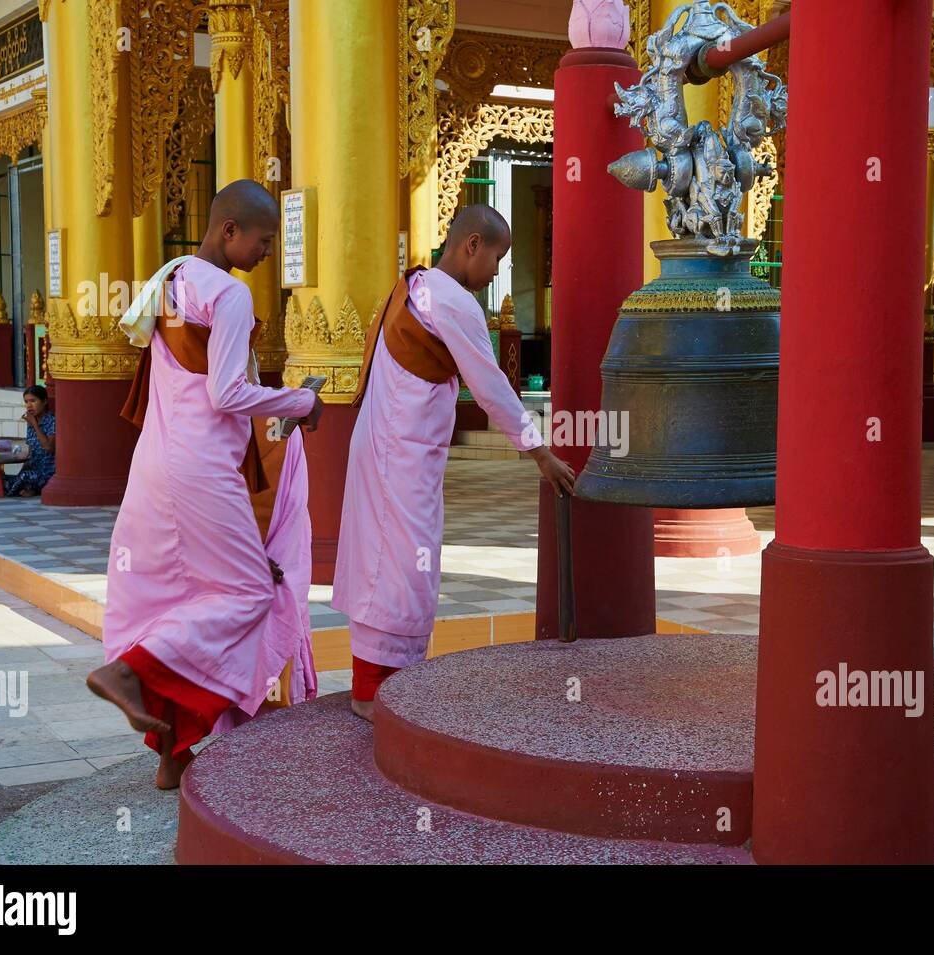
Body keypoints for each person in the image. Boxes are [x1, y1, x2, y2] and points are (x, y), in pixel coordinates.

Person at [87, 179, 324, 789]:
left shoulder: (169, 282)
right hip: (201, 469)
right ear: (229, 231)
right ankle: (129, 673)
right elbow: (227, 394)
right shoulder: (230, 294)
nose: (268, 252)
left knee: (176, 599)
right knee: (249, 594)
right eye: (264, 240)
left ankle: (173, 752)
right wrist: (301, 401)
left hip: (154, 465)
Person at [333, 204, 575, 721]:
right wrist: (540, 453)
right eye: (497, 256)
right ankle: (379, 693)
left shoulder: (416, 287)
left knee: (385, 562)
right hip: (402, 455)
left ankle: (373, 688)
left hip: (383, 447)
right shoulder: (453, 301)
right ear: (471, 244)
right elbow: (492, 389)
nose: (496, 270)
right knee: (401, 566)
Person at [3, 386, 55, 497]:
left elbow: (48, 447)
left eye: (33, 401)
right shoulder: (31, 421)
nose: (29, 405)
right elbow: (31, 453)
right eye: (26, 402)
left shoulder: (51, 421)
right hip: (33, 471)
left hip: (47, 473)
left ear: (44, 401)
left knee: (24, 477)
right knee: (2, 477)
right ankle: (27, 488)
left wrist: (35, 425)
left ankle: (15, 491)